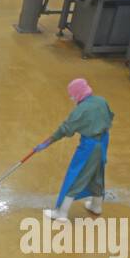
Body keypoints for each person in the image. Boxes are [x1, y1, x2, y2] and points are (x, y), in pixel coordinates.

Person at [35, 78, 114, 222]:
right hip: (103, 142)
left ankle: (61, 213)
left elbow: (65, 129)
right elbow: (110, 117)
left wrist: (47, 142)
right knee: (97, 174)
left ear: (77, 94)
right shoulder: (101, 101)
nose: (71, 98)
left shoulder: (80, 110)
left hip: (90, 146)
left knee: (76, 175)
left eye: (72, 95)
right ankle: (96, 206)